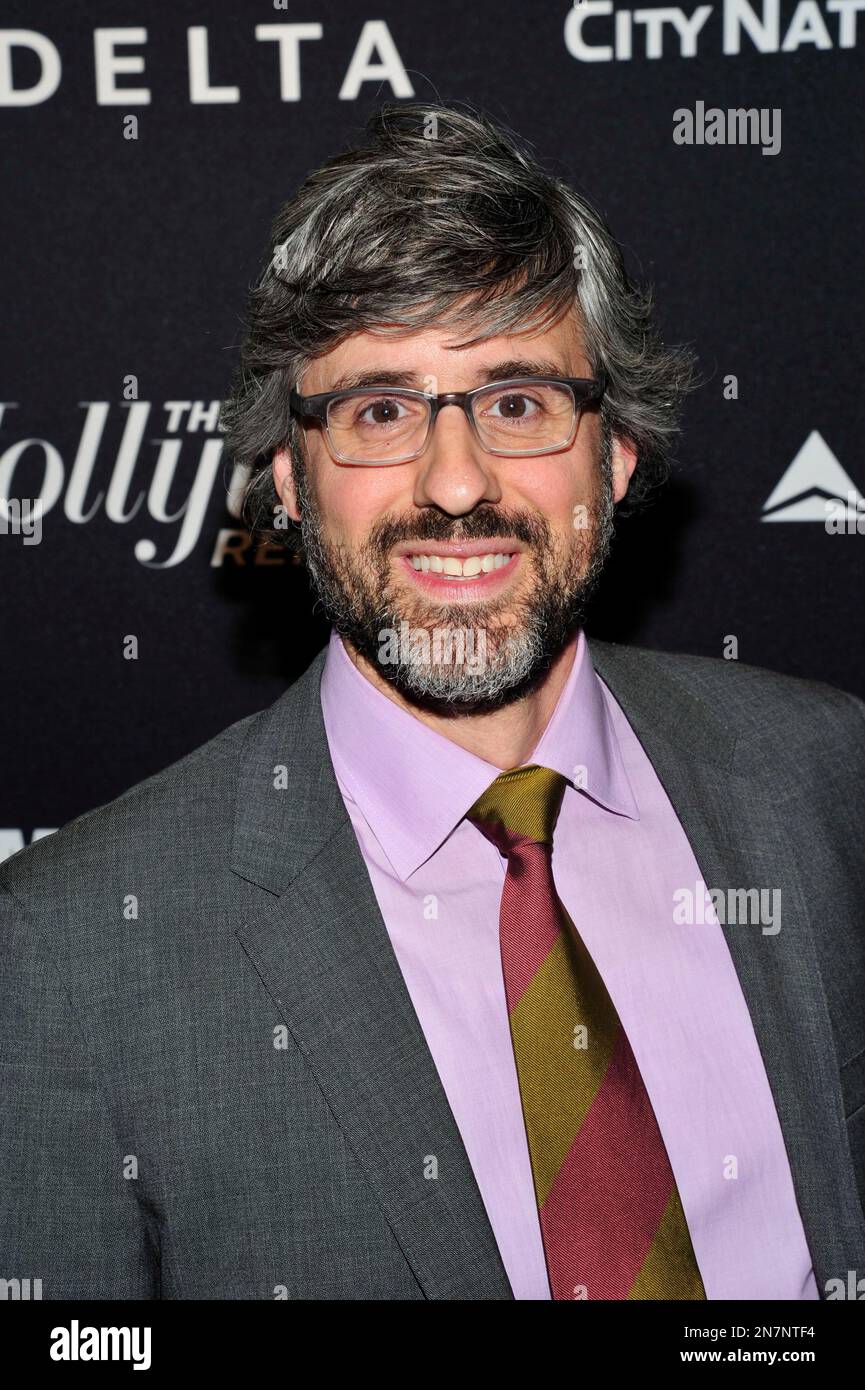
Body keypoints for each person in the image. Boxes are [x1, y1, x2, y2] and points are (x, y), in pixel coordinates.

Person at [2, 102, 864, 1302]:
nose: (455, 484)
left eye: (516, 401)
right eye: (379, 412)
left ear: (612, 453)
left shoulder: (832, 789)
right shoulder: (68, 956)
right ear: (286, 478)